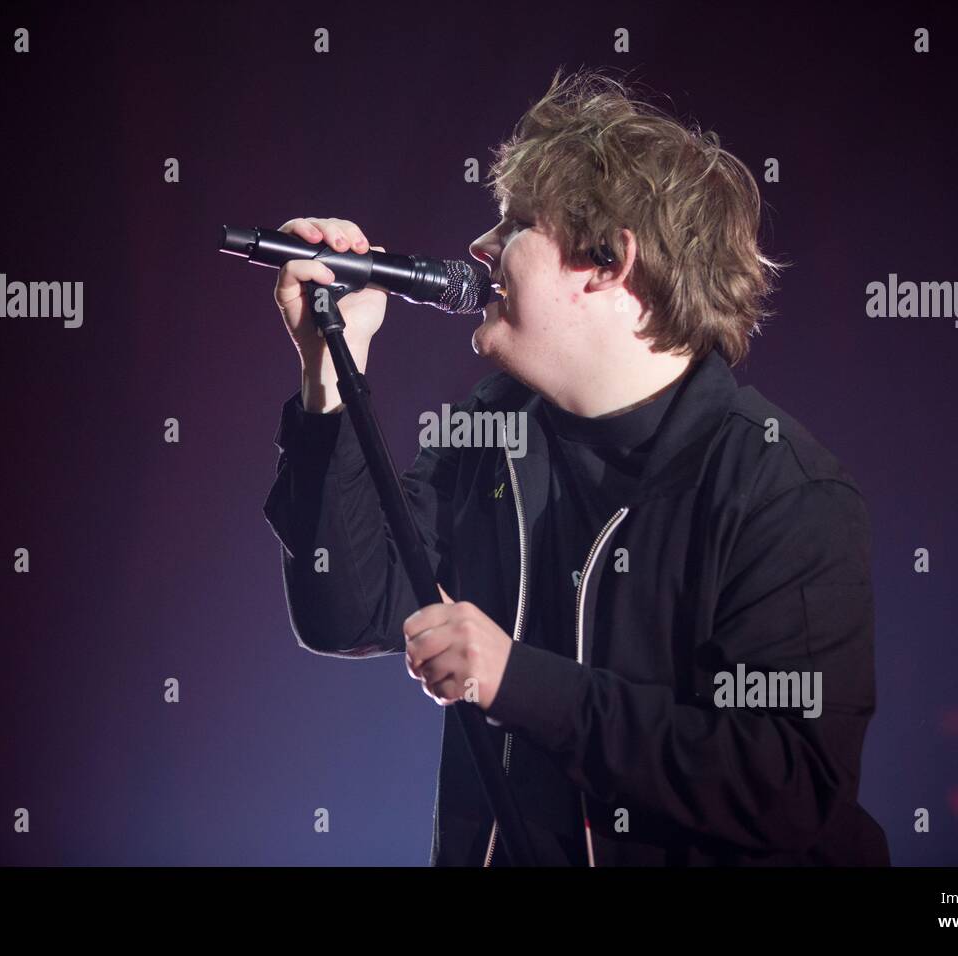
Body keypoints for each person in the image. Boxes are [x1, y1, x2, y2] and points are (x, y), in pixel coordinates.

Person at [261, 66, 890, 866]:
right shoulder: (490, 427)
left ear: (609, 261)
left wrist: (520, 682)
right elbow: (347, 610)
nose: (480, 248)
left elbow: (789, 785)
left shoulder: (780, 489)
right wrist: (328, 371)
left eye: (516, 223)